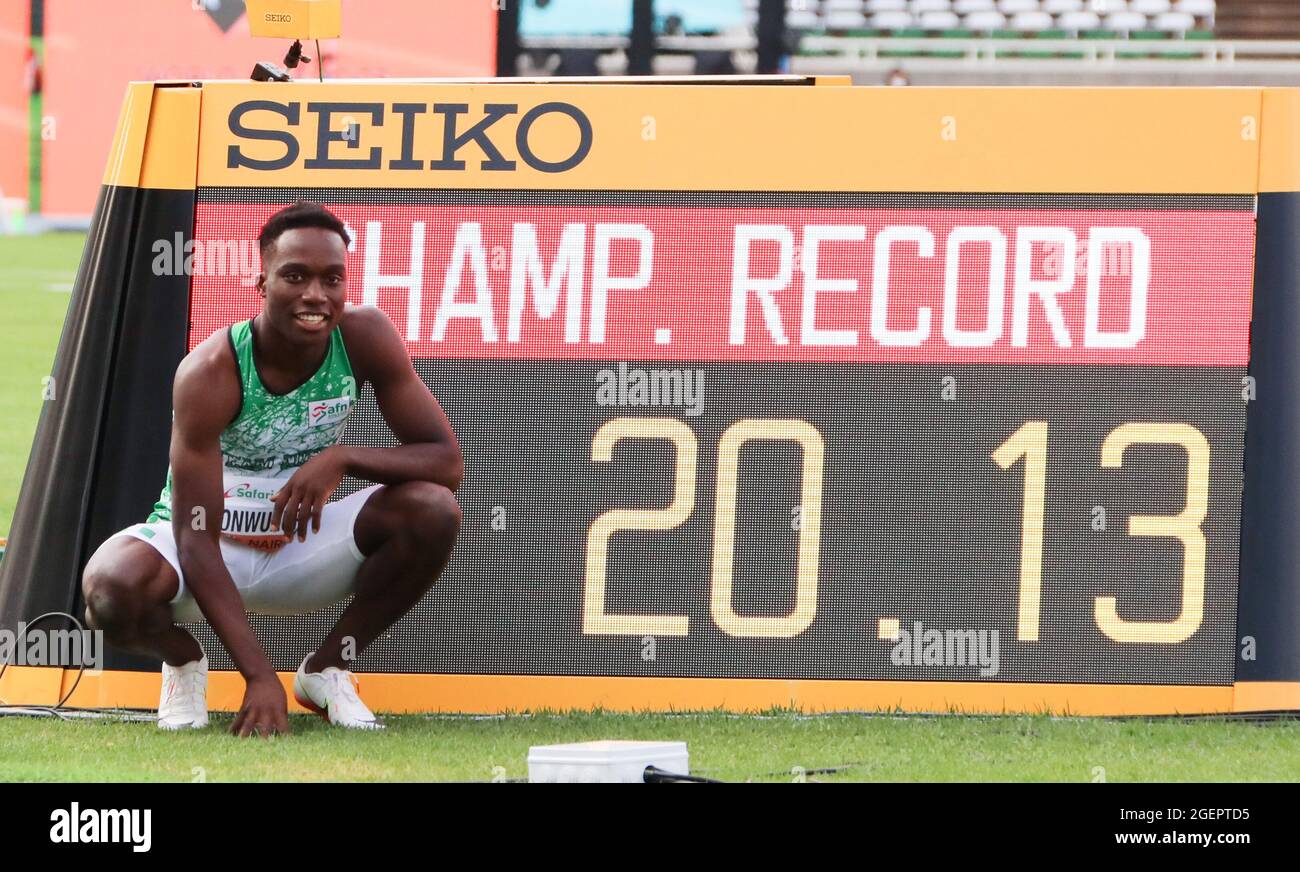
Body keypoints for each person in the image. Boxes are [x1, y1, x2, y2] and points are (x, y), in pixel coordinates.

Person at [81, 202, 463, 737]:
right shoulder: (211, 370)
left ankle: (327, 668)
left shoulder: (365, 336)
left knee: (433, 509)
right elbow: (192, 537)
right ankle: (185, 663)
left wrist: (341, 457)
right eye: (295, 276)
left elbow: (445, 461)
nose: (315, 295)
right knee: (109, 588)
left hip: (300, 542)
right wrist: (258, 676)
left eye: (332, 278)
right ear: (260, 281)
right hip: (209, 549)